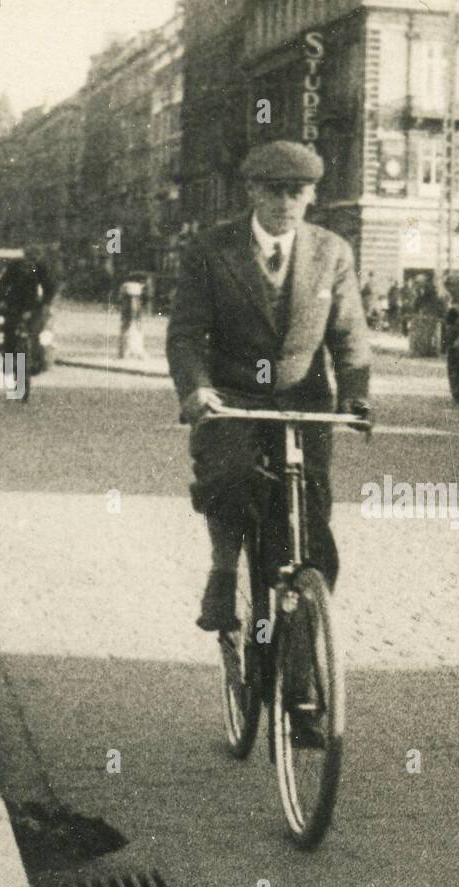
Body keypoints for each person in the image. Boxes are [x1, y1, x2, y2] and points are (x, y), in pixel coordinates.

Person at [166, 139, 372, 634]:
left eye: (296, 192)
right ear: (253, 192)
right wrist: (197, 389)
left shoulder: (332, 252)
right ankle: (222, 571)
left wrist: (355, 394)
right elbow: (187, 334)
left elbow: (349, 334)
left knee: (314, 528)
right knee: (230, 477)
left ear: (311, 196)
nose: (285, 204)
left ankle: (306, 650)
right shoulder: (213, 250)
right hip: (233, 397)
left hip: (304, 403)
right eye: (274, 191)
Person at [0, 246, 57, 374]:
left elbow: (50, 287)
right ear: (24, 255)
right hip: (14, 303)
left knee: (37, 333)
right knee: (9, 331)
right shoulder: (14, 267)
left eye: (35, 256)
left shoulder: (41, 269)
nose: (32, 260)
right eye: (29, 256)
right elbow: (3, 283)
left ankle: (38, 360)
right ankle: (8, 361)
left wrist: (45, 303)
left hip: (33, 305)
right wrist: (2, 299)